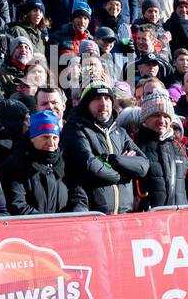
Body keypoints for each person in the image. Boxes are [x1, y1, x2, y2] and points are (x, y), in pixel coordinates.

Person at [62, 81, 149, 214]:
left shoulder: (119, 131)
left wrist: (112, 160)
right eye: (97, 98)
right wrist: (124, 175)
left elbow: (143, 165)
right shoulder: (75, 129)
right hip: (93, 214)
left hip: (125, 214)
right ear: (86, 104)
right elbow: (89, 165)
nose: (103, 103)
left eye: (107, 98)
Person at [0, 109, 87, 214]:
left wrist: (70, 218)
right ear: (32, 138)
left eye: (55, 137)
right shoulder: (16, 163)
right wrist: (45, 223)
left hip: (64, 227)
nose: (51, 143)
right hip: (32, 227)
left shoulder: (67, 161)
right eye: (45, 137)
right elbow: (16, 203)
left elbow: (79, 198)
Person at [133, 90, 188, 209]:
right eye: (156, 115)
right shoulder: (135, 145)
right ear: (145, 118)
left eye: (166, 116)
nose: (162, 120)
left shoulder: (180, 147)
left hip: (179, 218)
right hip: (148, 219)